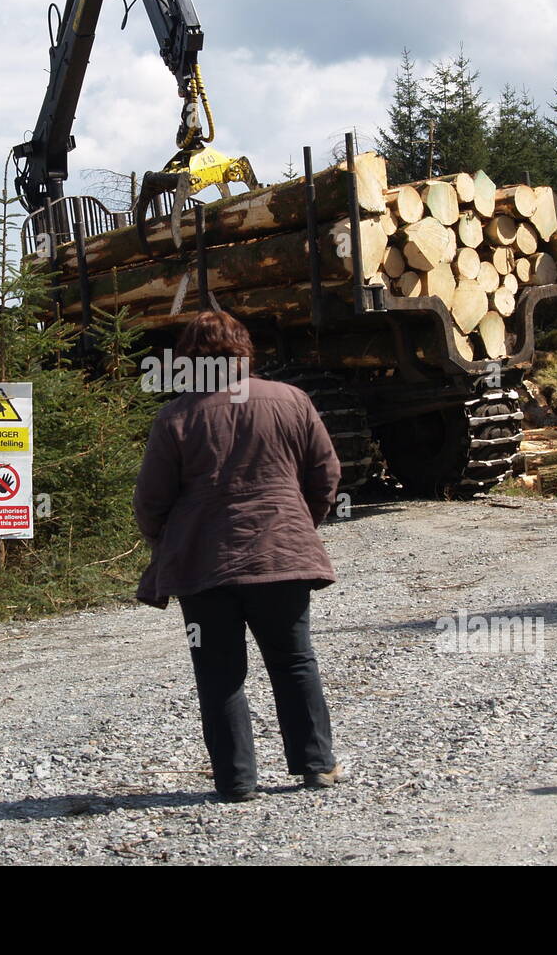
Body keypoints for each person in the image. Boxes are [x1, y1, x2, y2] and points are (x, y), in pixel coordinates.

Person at [132, 311, 343, 803]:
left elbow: (150, 501)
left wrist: (165, 541)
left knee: (218, 671)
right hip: (282, 559)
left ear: (190, 359)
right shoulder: (292, 400)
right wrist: (297, 524)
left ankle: (235, 781)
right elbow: (326, 474)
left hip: (204, 570)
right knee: (294, 661)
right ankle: (316, 766)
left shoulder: (177, 417)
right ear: (245, 351)